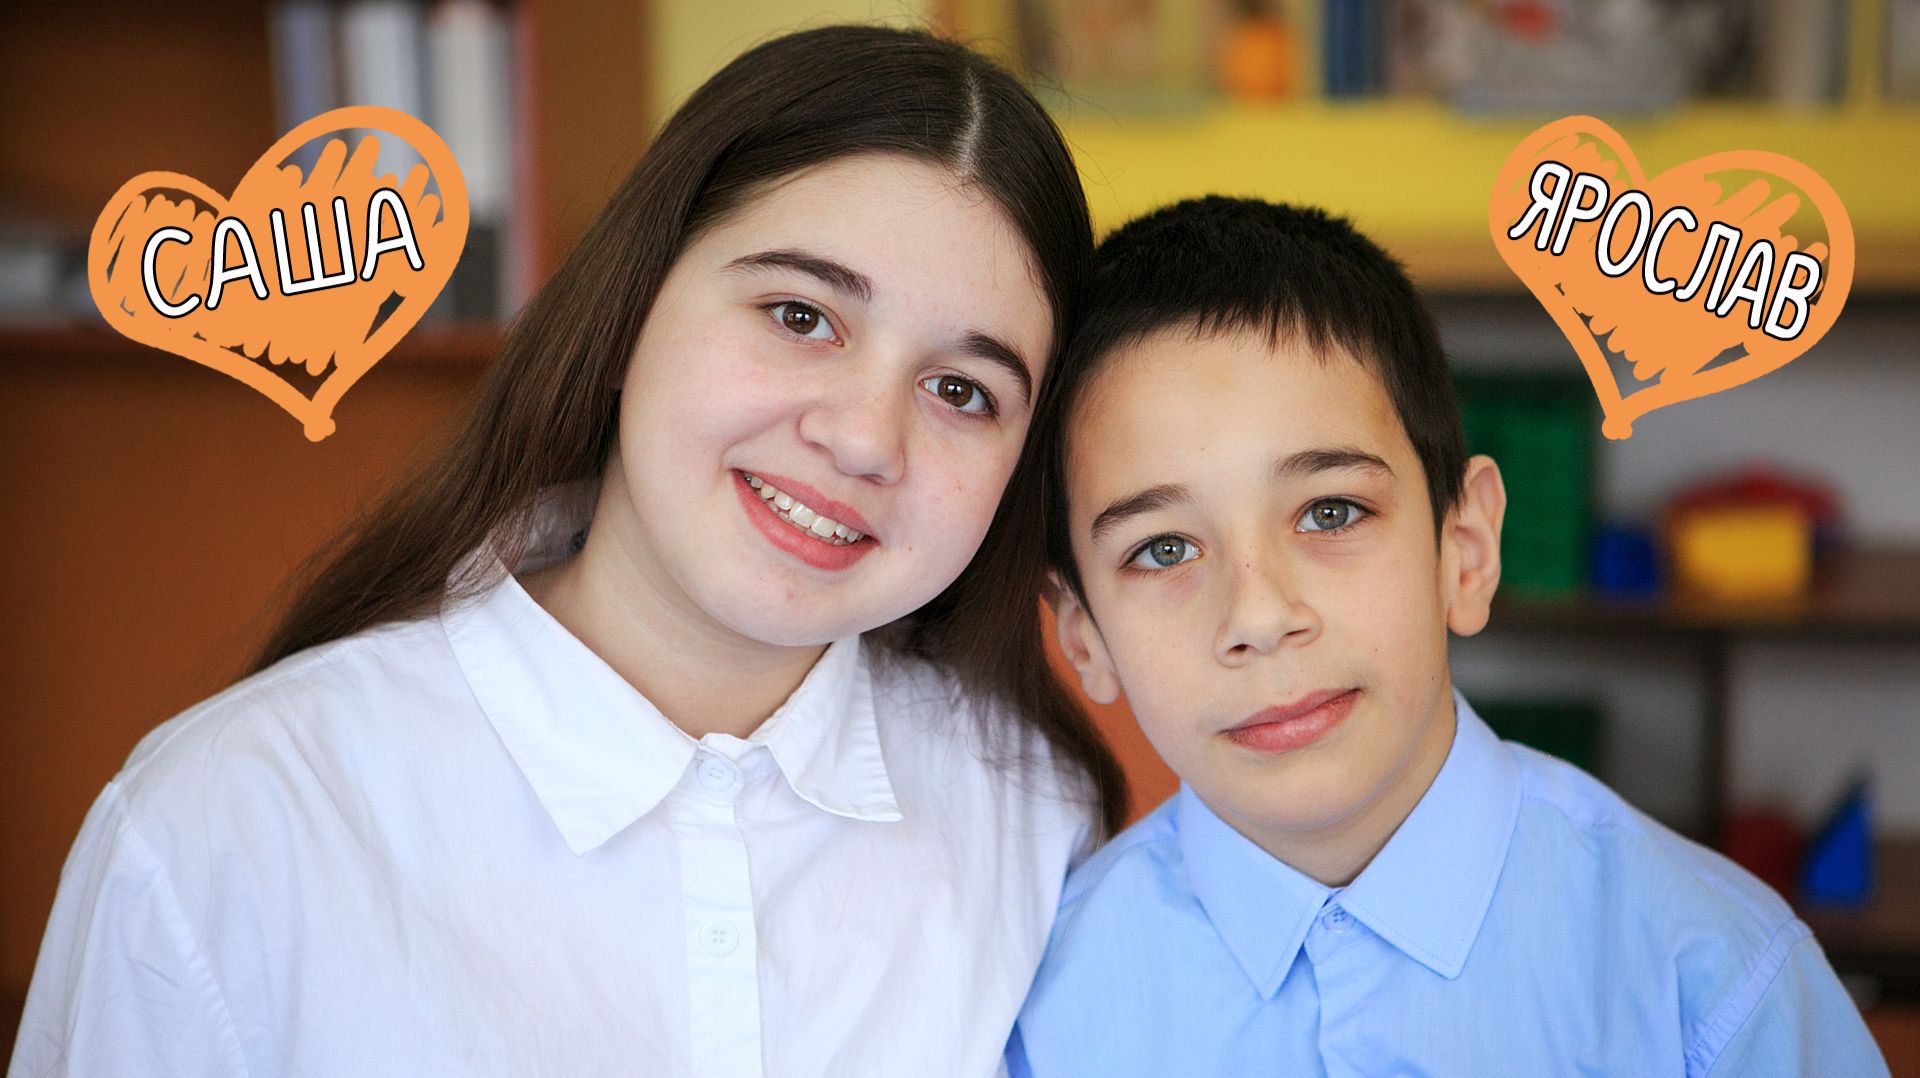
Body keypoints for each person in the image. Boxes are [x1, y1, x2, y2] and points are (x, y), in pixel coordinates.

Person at [12, 26, 1126, 1077]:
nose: (864, 439)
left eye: (960, 391)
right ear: (633, 304)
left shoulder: (1034, 824)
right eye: (800, 317)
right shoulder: (226, 822)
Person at [1008, 196, 1887, 1076]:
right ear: (1085, 640)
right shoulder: (1040, 1016)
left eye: (1330, 511)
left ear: (1464, 550)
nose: (1260, 618)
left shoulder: (1717, 986)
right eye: (1163, 549)